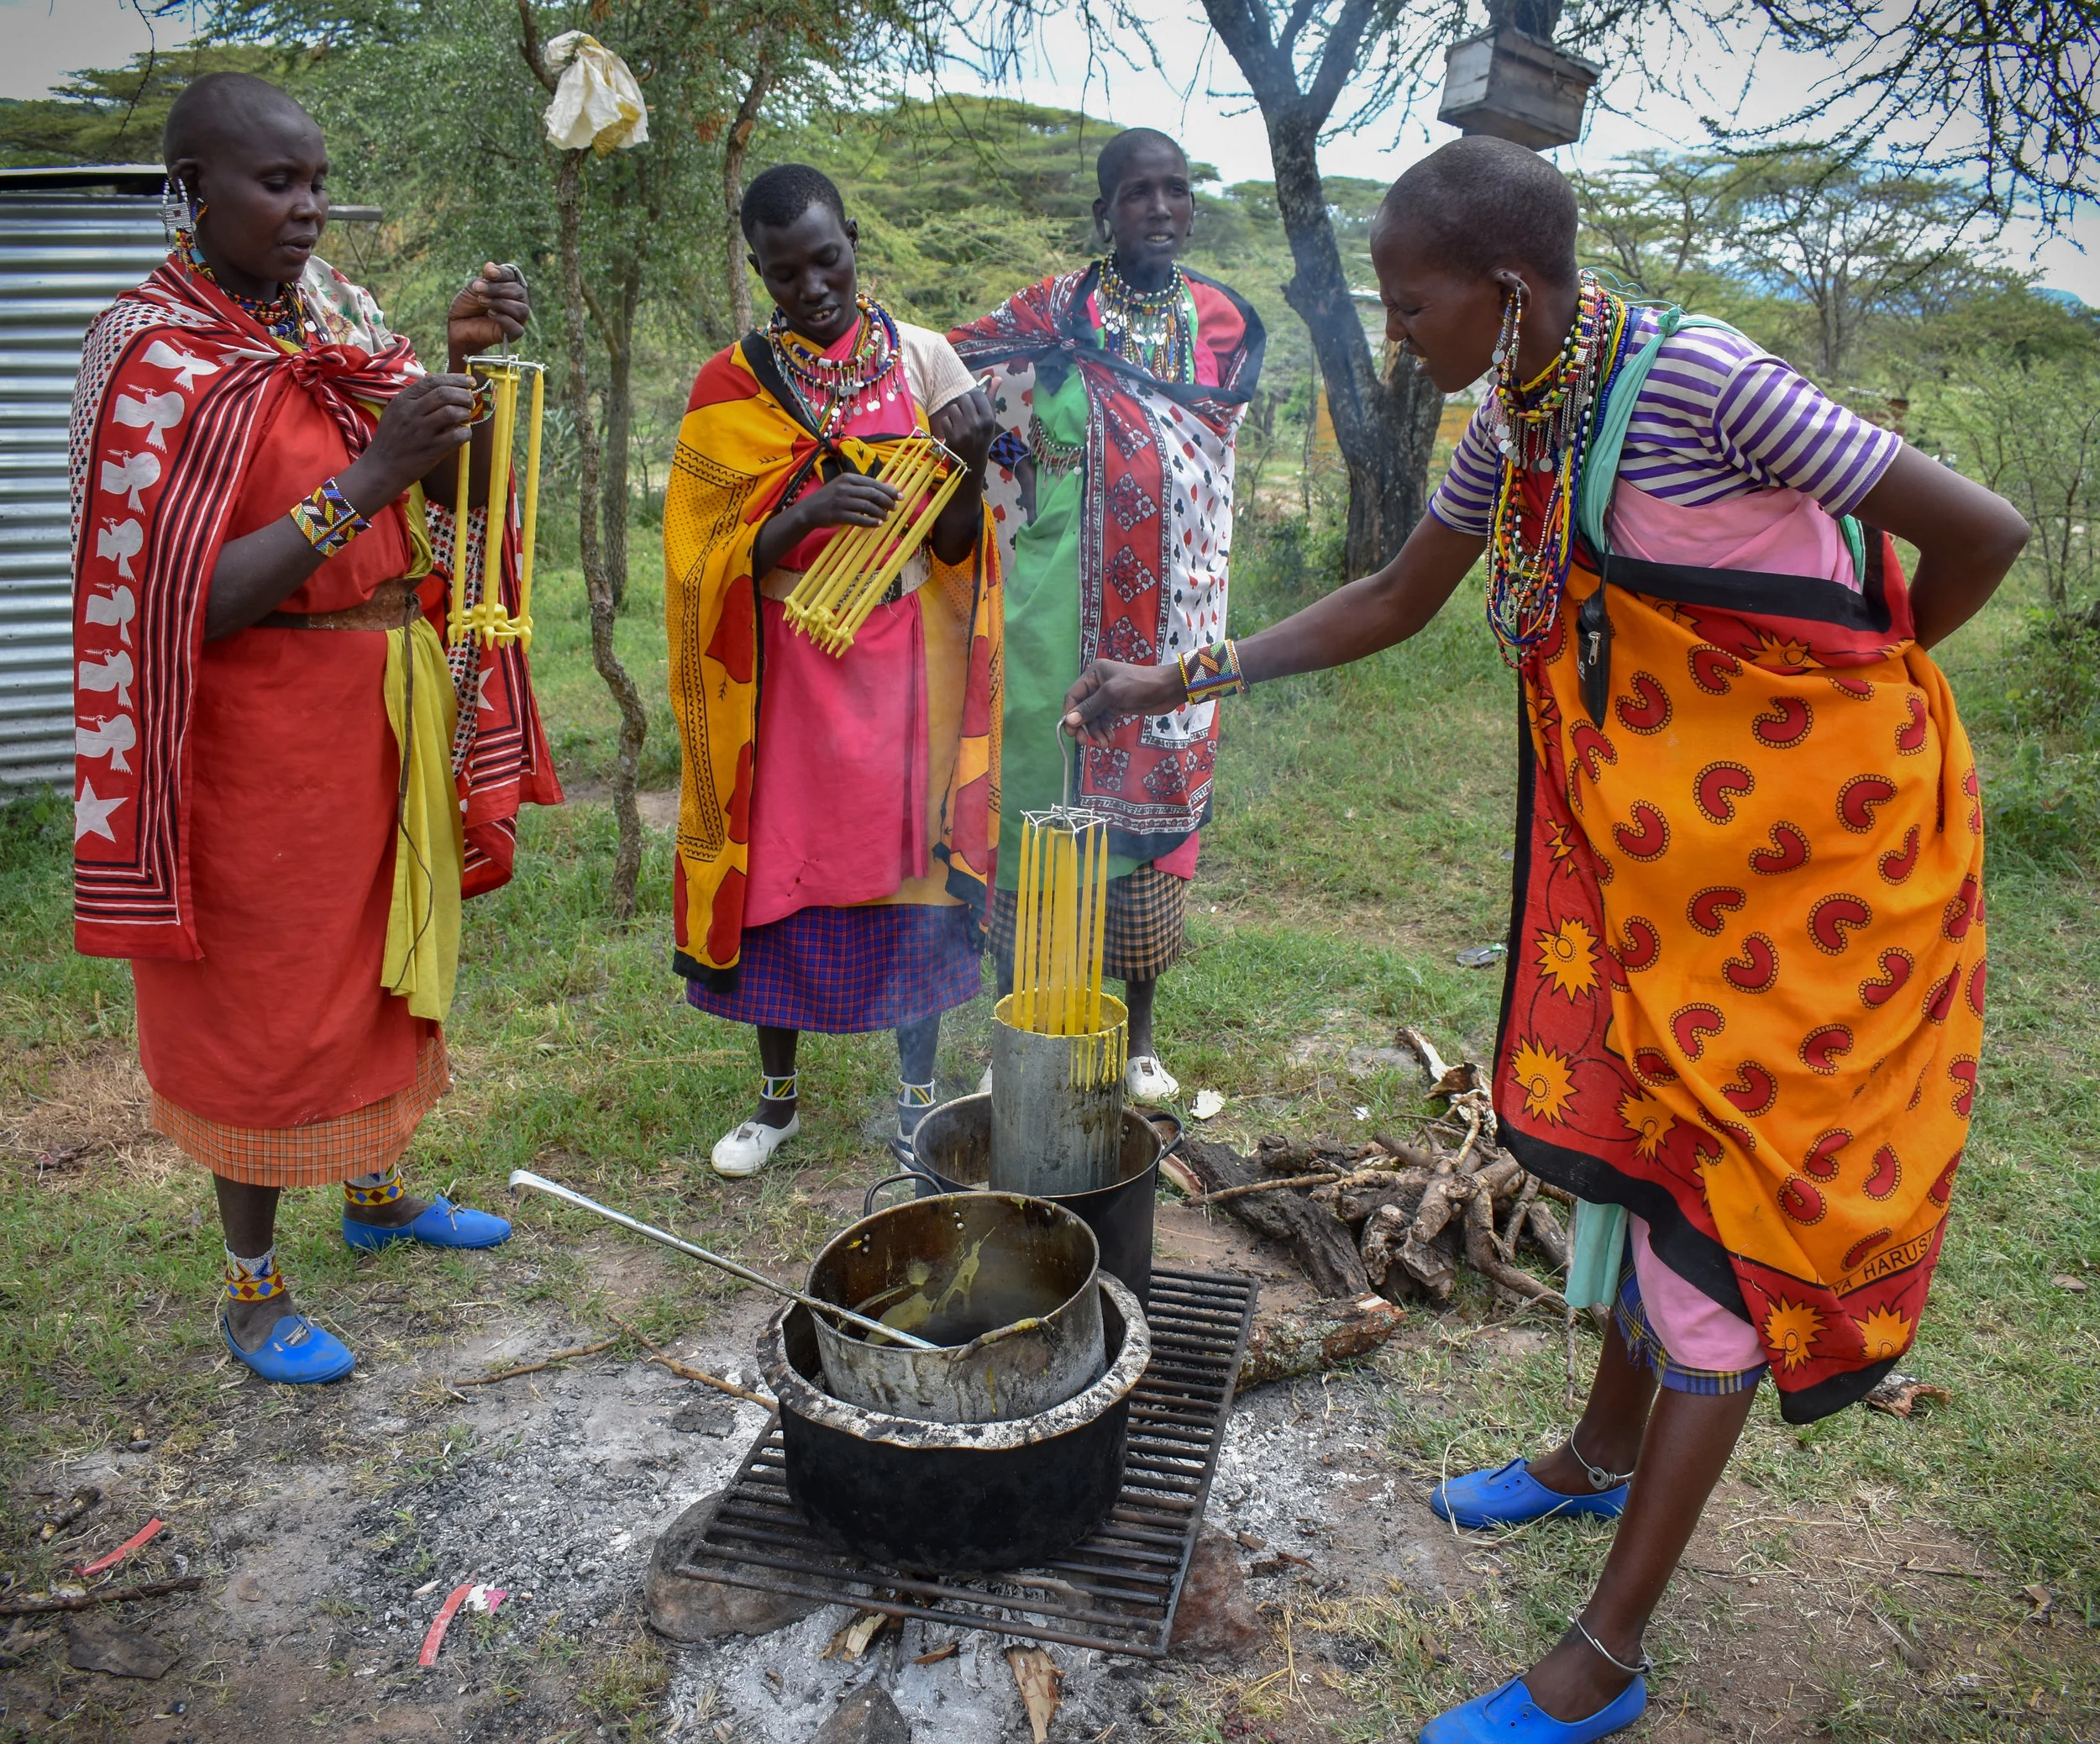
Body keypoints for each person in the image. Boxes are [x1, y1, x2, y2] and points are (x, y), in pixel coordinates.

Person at [1063, 136, 2027, 1744]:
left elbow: (1979, 527)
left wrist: (1831, 719)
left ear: (1508, 288)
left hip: (1820, 887)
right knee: (1655, 1154)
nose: (1399, 339)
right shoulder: (1514, 418)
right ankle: (1592, 1458)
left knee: (1719, 1233)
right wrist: (1174, 679)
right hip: (1664, 882)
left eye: (1414, 304)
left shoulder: (1710, 384)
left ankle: (1610, 1653)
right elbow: (1390, 600)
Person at [69, 73, 561, 1384]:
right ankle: (249, 1286)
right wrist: (369, 476)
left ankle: (379, 1193)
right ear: (193, 188)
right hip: (249, 732)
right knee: (270, 1004)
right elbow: (181, 598)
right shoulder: (149, 356)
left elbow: (448, 481)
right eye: (274, 184)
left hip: (381, 700)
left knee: (388, 955)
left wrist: (457, 376)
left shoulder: (340, 312)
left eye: (315, 182)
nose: (306, 209)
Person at [663, 164, 1000, 1178]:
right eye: (783, 273)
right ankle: (777, 1102)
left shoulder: (929, 361)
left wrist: (971, 462)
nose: (811, 288)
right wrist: (801, 517)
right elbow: (695, 557)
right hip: (784, 679)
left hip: (902, 667)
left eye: (827, 260)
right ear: (757, 270)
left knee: (911, 878)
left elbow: (956, 543)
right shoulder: (727, 385)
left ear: (853, 237)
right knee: (778, 877)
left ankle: (915, 1104)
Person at [949, 128, 1263, 1100]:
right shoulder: (1051, 310)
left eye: (1175, 191)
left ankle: (1135, 1039)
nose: (1160, 210)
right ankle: (1027, 1028)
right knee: (1044, 810)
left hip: (1177, 615)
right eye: (1138, 194)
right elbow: (966, 385)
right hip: (1054, 610)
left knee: (1148, 833)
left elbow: (1213, 450)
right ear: (1105, 210)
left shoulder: (1219, 320)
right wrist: (1016, 436)